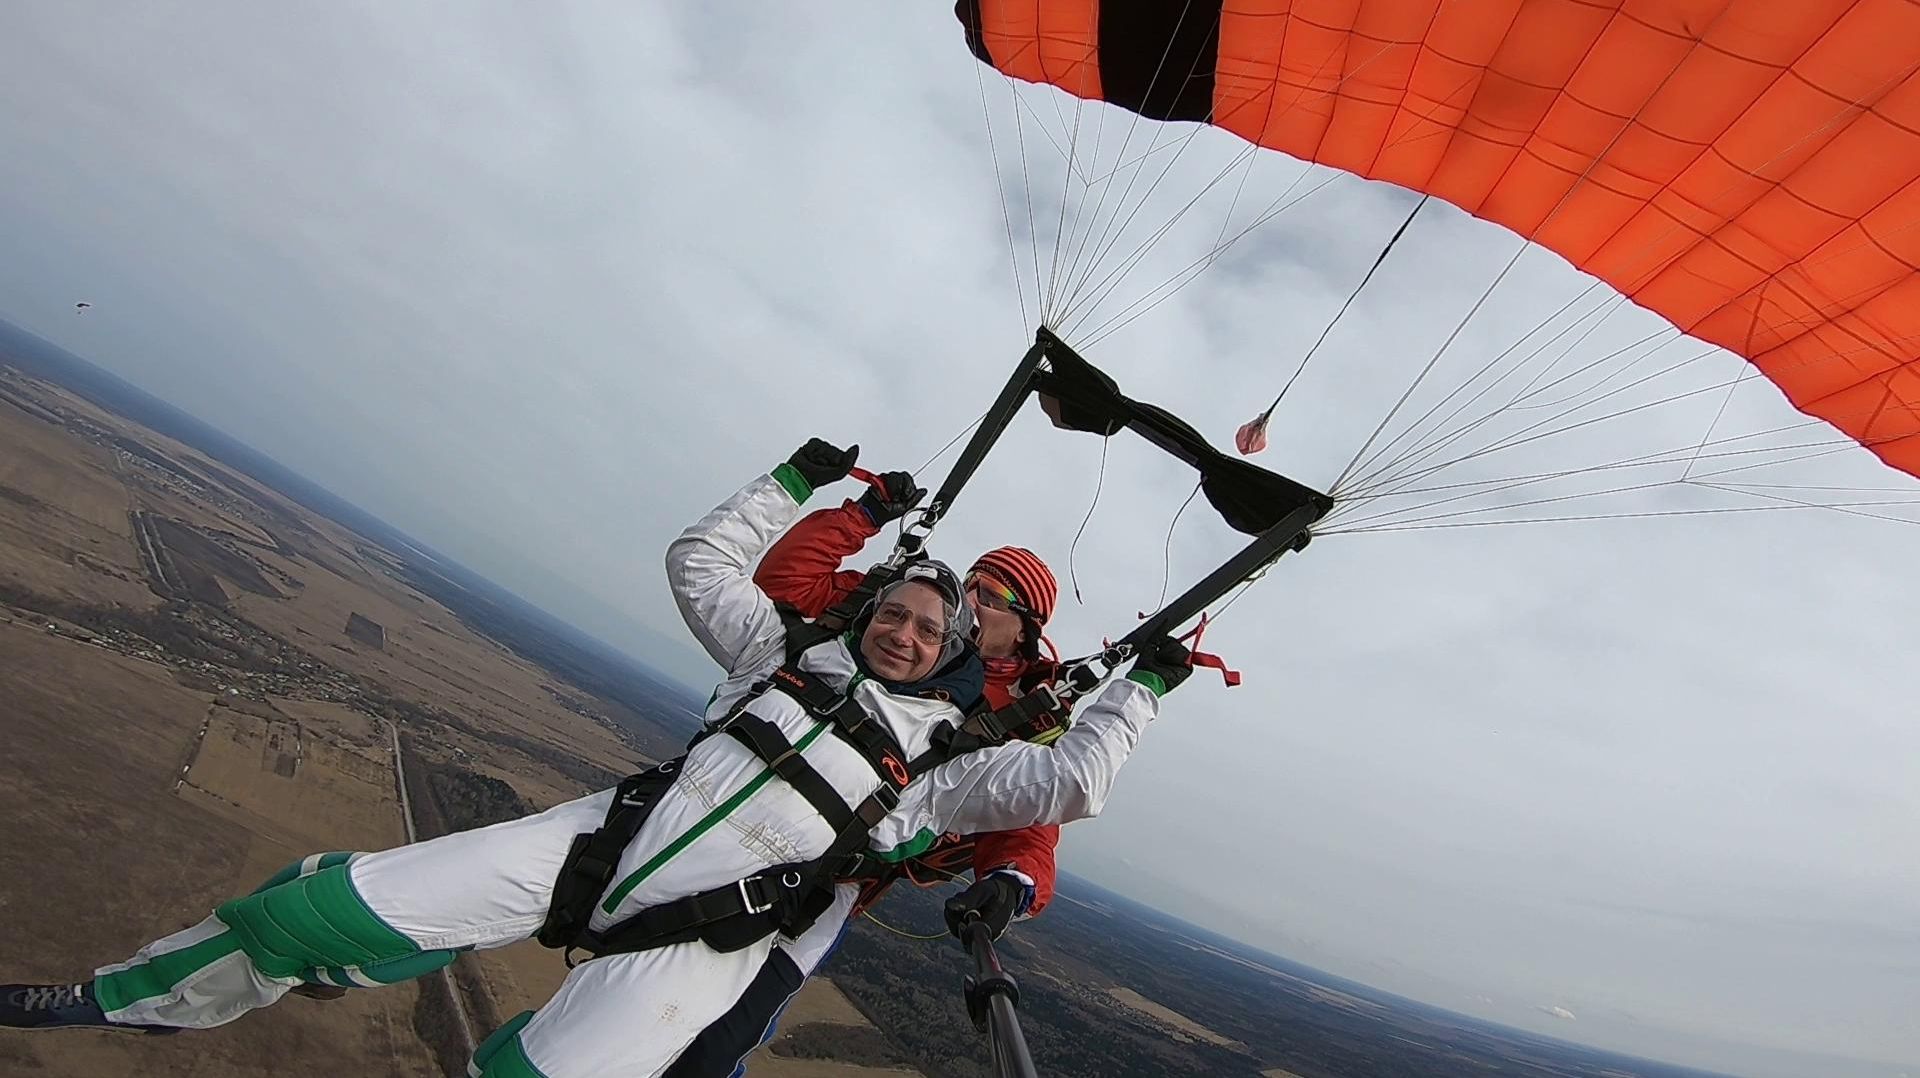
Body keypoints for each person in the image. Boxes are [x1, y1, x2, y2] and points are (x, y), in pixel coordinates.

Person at [0, 438, 1187, 1078]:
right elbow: (743, 578)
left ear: (1013, 636)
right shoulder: (805, 649)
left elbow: (1053, 798)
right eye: (935, 601)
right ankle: (121, 997)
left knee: (686, 1057)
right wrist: (828, 494)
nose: (943, 620)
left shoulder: (980, 745)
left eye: (973, 611)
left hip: (771, 912)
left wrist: (1037, 844)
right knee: (318, 909)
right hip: (621, 836)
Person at [665, 453, 1099, 1077]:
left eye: (992, 595)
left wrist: (1012, 881)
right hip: (737, 803)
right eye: (971, 581)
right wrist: (861, 517)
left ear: (1026, 629)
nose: (970, 599)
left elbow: (1028, 817)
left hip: (827, 875)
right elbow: (787, 589)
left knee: (713, 1041)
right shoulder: (898, 622)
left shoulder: (1018, 716)